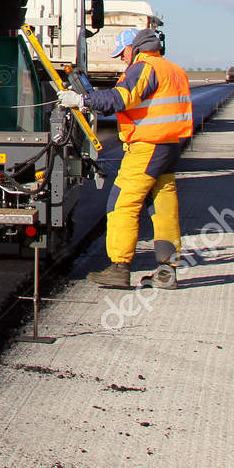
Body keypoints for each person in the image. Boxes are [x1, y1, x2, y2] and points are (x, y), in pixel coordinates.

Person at [58, 27, 193, 289]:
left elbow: (120, 99)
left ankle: (119, 267)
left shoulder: (144, 68)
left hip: (147, 147)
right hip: (169, 145)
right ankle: (167, 270)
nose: (122, 58)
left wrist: (81, 100)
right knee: (163, 206)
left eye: (123, 53)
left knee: (121, 203)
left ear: (134, 48)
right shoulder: (174, 70)